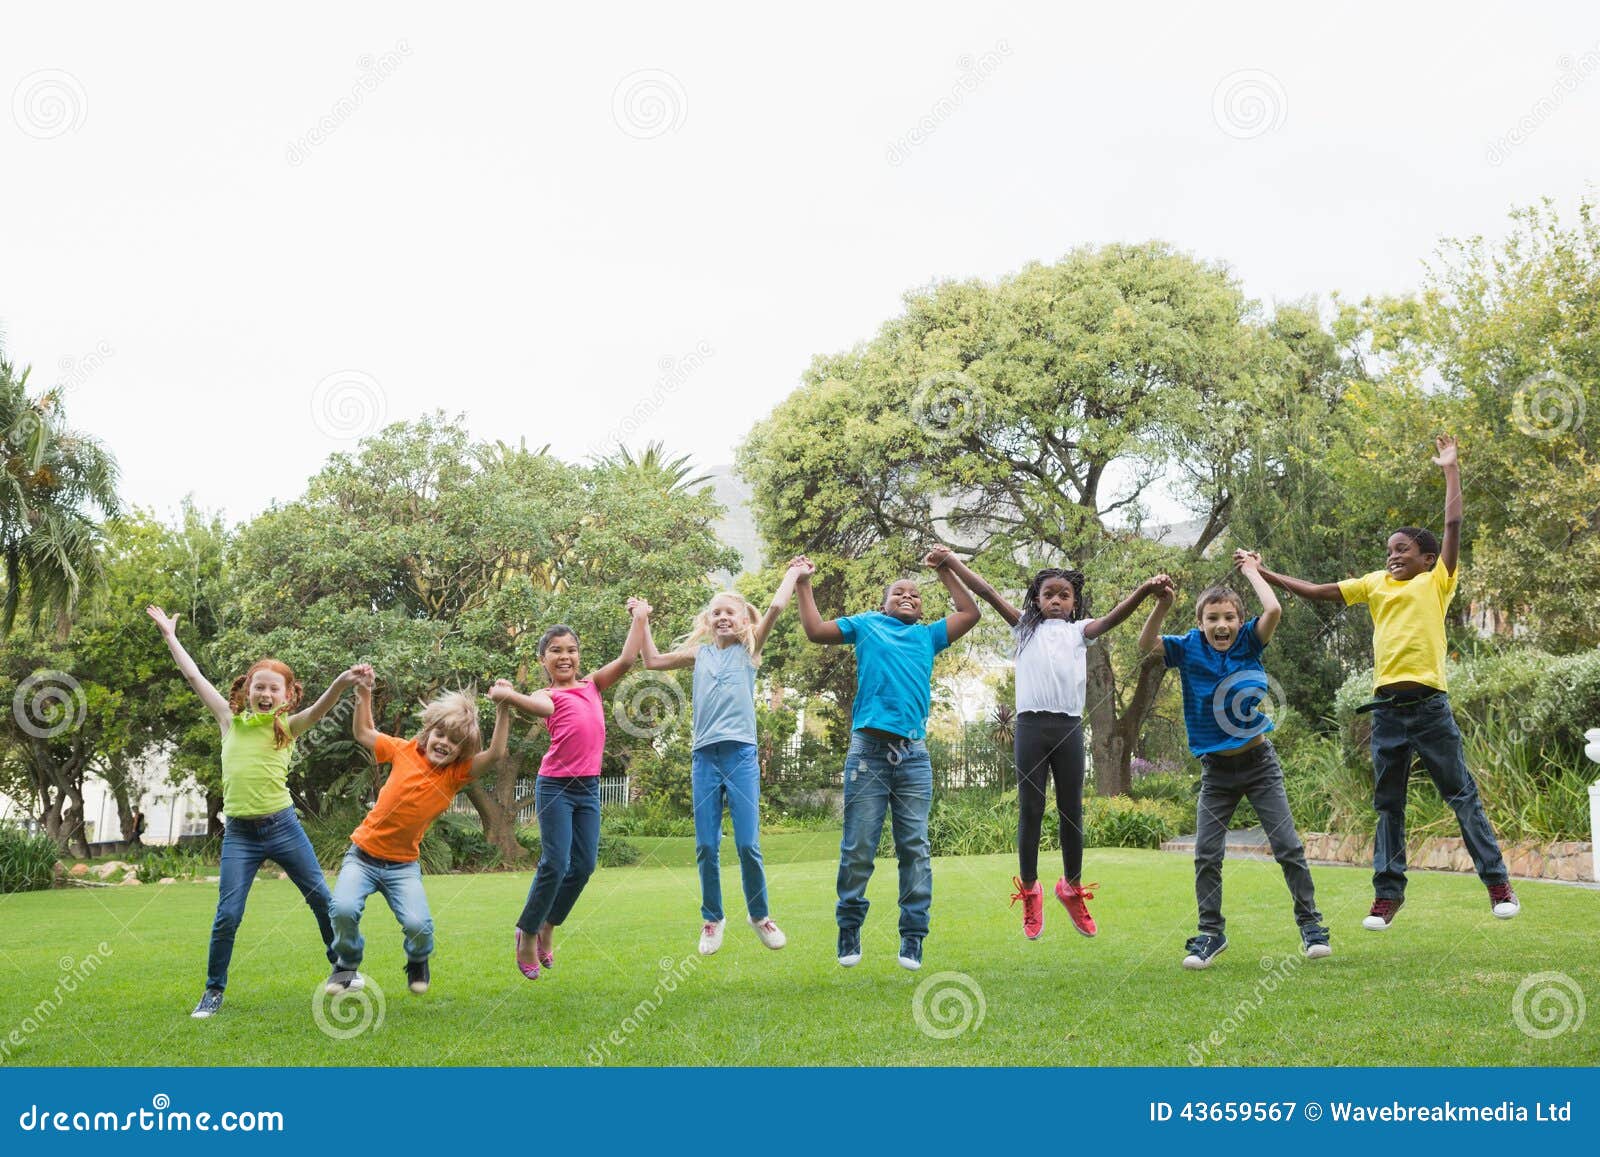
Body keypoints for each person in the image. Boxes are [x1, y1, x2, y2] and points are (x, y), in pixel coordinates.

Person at [1248, 434, 1517, 929]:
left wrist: (1450, 468)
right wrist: (1267, 573)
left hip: (1431, 707)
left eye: (1403, 549)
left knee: (1461, 796)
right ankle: (1388, 895)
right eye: (1389, 550)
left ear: (1426, 558)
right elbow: (1316, 591)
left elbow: (1453, 522)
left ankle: (1498, 884)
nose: (1393, 555)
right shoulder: (1373, 584)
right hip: (1388, 712)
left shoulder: (1437, 580)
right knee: (1388, 804)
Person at [932, 552, 1173, 939]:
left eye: (1064, 595)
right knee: (1030, 810)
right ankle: (1031, 890)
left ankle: (1071, 888)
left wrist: (1145, 590)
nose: (1056, 600)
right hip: (1030, 727)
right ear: (1037, 599)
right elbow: (987, 591)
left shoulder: (1081, 632)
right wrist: (950, 564)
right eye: (1049, 594)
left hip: (1068, 729)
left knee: (1071, 811)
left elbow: (1115, 617)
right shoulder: (1023, 627)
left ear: (1075, 602)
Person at [147, 604, 361, 1018]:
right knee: (228, 914)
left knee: (323, 901)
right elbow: (194, 677)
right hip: (240, 835)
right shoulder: (229, 720)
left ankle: (341, 970)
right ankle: (213, 991)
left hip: (283, 827)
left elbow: (320, 708)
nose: (265, 694)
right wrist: (171, 636)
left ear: (286, 694)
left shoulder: (288, 727)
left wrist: (342, 680)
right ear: (247, 691)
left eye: (274, 689)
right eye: (259, 687)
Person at [794, 549, 981, 971]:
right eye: (900, 592)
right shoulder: (866, 625)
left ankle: (913, 936)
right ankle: (849, 926)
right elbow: (815, 630)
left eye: (916, 595)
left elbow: (970, 613)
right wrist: (804, 584)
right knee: (859, 846)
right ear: (883, 603)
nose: (910, 597)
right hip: (869, 755)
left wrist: (945, 568)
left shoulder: (929, 636)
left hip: (913, 755)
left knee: (914, 847)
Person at [1138, 561, 1331, 968]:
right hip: (1217, 772)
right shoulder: (1188, 646)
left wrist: (1252, 573)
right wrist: (1163, 602)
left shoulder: (1249, 641)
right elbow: (1146, 643)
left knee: (1288, 847)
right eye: (1213, 618)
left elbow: (1274, 611)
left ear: (1241, 621)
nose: (1221, 624)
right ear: (1200, 621)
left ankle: (1311, 925)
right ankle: (1211, 934)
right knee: (1206, 853)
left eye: (1229, 617)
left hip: (1259, 764)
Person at [637, 561, 807, 955]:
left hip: (741, 756)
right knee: (706, 846)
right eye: (716, 612)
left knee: (748, 844)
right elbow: (652, 662)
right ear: (708, 621)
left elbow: (777, 608)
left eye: (730, 611)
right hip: (705, 758)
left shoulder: (751, 650)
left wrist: (793, 575)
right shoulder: (699, 655)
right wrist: (642, 619)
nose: (722, 617)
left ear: (744, 620)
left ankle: (759, 915)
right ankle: (713, 918)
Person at [327, 672, 512, 995]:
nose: (445, 743)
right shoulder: (403, 750)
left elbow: (496, 754)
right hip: (362, 857)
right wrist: (364, 692)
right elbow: (363, 731)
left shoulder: (456, 775)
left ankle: (417, 959)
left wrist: (504, 707)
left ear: (461, 752)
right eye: (441, 734)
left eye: (455, 742)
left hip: (402, 867)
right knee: (342, 910)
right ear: (428, 732)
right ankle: (346, 964)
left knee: (419, 926)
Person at [497, 602, 651, 979]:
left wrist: (640, 617)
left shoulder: (593, 685)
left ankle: (549, 925)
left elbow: (629, 660)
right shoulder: (548, 694)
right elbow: (538, 707)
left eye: (570, 650)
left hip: (589, 788)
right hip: (555, 787)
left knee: (583, 866)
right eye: (555, 651)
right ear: (543, 660)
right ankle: (528, 932)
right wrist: (507, 694)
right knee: (555, 862)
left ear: (579, 655)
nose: (564, 657)